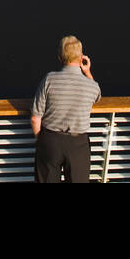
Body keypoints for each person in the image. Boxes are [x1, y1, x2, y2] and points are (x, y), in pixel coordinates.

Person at [30, 35, 101, 183]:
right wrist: (87, 72)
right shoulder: (91, 86)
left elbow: (35, 117)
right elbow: (97, 96)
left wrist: (42, 139)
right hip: (78, 144)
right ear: (81, 58)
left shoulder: (49, 79)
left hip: (50, 139)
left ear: (59, 57)